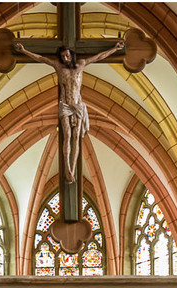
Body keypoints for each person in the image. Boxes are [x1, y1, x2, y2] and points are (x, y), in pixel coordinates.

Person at [13, 40, 126, 182]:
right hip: (65, 105)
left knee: (76, 137)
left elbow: (98, 57)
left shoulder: (81, 64)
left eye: (67, 55)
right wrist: (23, 51)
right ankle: (67, 168)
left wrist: (115, 49)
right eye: (63, 56)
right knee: (67, 136)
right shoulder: (59, 68)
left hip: (78, 106)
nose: (65, 58)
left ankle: (72, 170)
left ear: (72, 55)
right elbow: (42, 59)